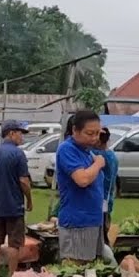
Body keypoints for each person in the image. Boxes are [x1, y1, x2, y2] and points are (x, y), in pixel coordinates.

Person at [55, 111, 108, 263]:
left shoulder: (86, 151)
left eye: (97, 133)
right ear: (74, 130)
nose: (94, 138)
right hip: (77, 222)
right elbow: (82, 179)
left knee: (90, 267)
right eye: (89, 133)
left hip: (92, 220)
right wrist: (98, 164)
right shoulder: (67, 149)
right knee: (76, 268)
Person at [0, 120, 34, 277]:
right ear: (11, 133)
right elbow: (24, 181)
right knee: (14, 243)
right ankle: (11, 276)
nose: (22, 137)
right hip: (14, 205)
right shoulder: (18, 154)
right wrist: (29, 199)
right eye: (20, 133)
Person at [98, 128, 120, 243]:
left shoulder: (99, 156)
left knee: (99, 238)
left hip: (99, 200)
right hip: (108, 200)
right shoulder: (112, 156)